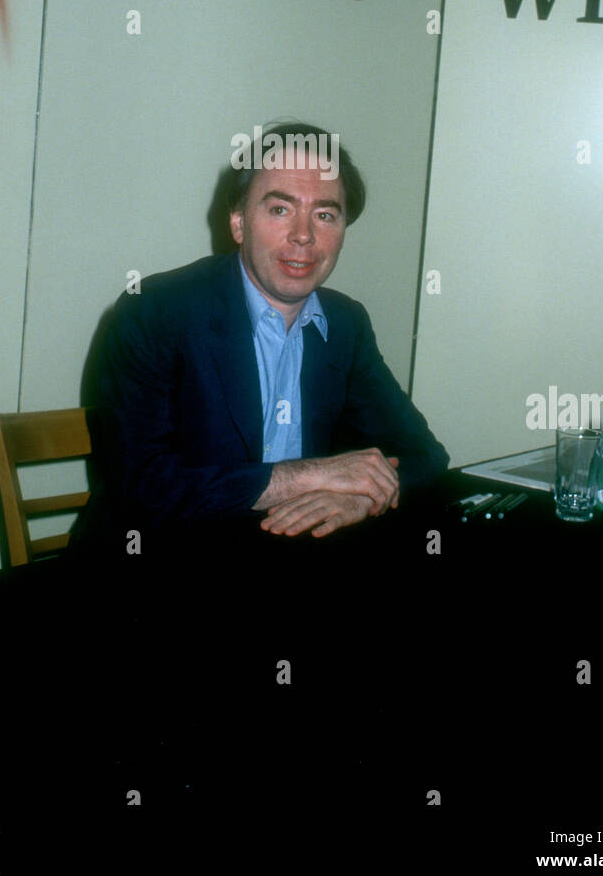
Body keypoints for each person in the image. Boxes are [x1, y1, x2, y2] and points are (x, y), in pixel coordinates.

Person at [70, 121, 448, 562]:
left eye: (325, 214)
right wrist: (311, 477)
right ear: (237, 222)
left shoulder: (346, 323)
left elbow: (423, 453)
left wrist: (361, 497)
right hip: (153, 567)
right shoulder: (154, 311)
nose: (304, 235)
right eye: (280, 209)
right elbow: (144, 487)